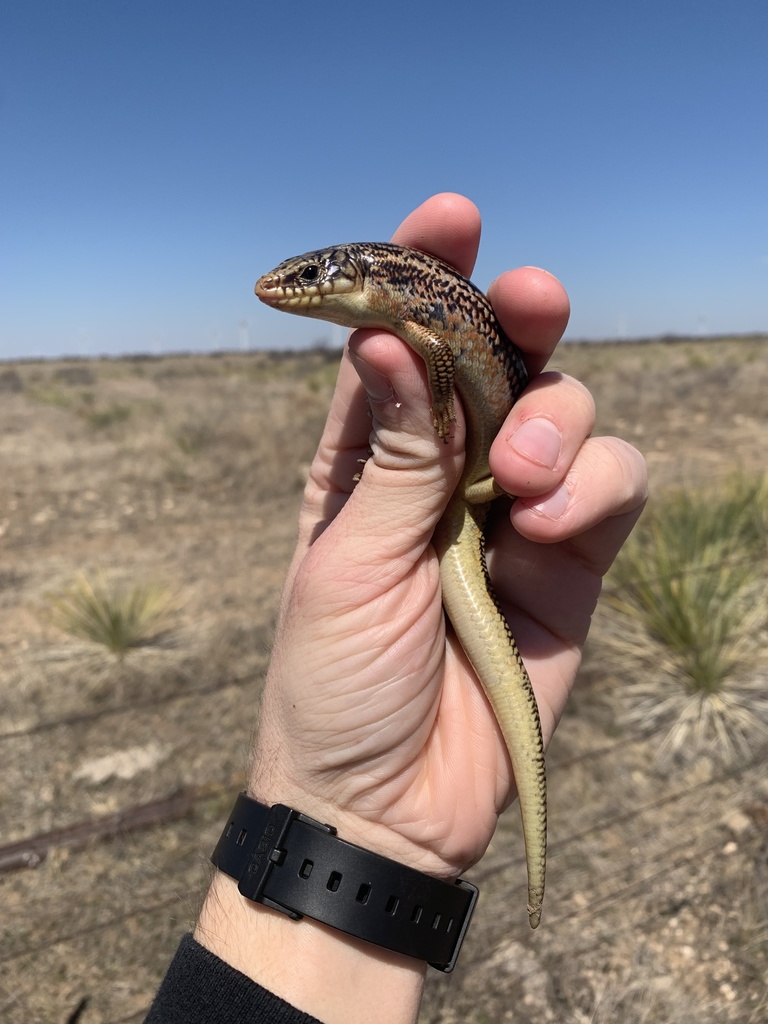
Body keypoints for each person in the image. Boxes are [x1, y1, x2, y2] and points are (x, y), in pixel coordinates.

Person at [144, 193, 648, 1024]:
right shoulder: (403, 318)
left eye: (309, 277)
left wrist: (444, 428)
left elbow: (442, 364)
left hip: (490, 483)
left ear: (356, 276)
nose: (290, 287)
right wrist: (355, 825)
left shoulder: (416, 308)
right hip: (471, 496)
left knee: (521, 469)